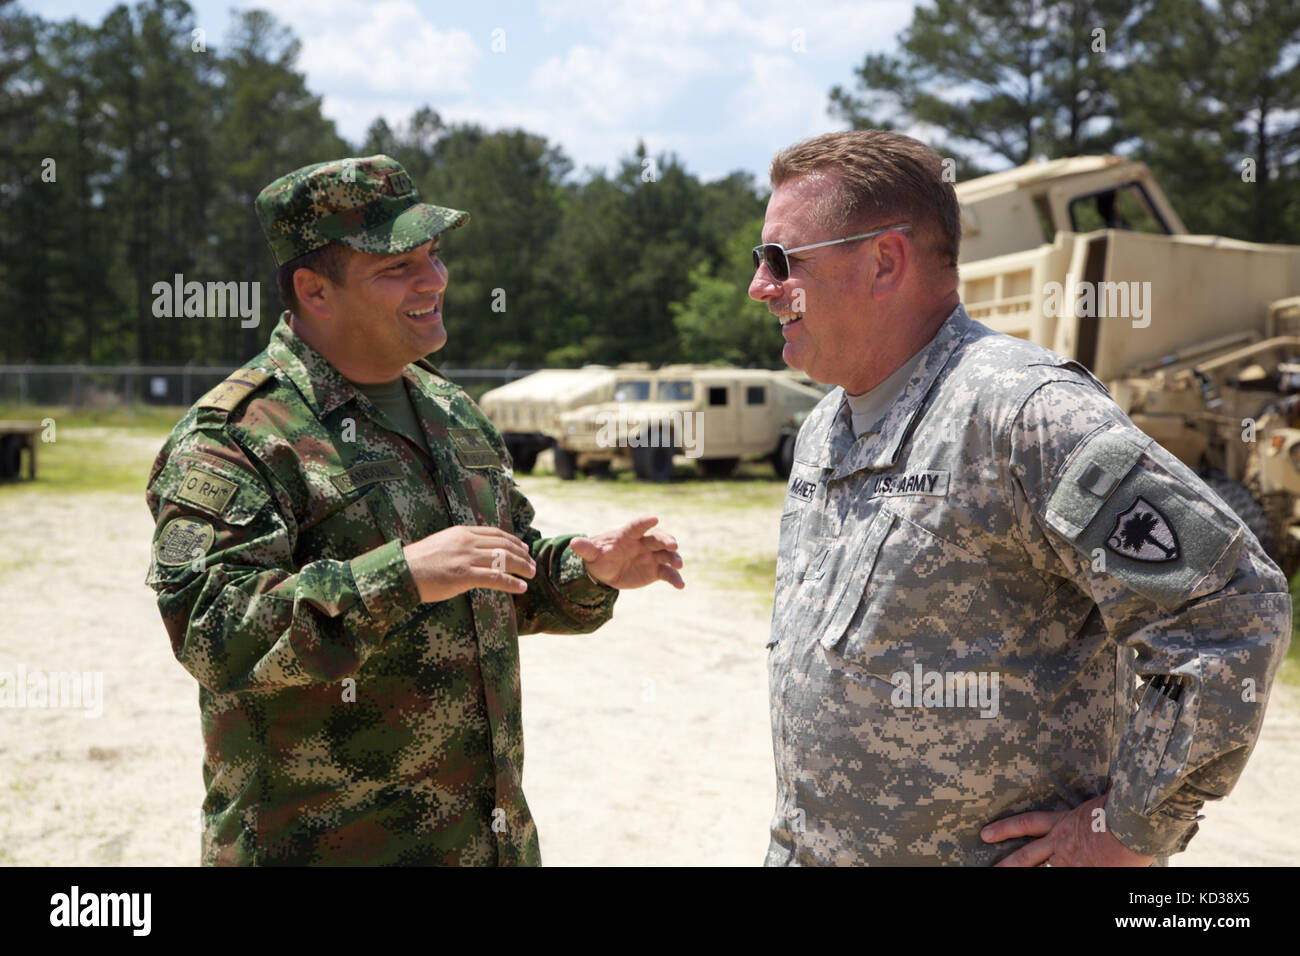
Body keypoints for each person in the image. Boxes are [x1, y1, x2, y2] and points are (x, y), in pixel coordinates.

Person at [750, 130, 1291, 866]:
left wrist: (1131, 830)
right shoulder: (824, 426)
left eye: (782, 260)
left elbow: (1229, 605)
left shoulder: (1021, 413)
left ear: (884, 261)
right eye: (761, 262)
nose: (761, 287)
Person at [144, 155, 684, 866]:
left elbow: (497, 577)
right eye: (396, 268)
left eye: (433, 256)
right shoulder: (237, 437)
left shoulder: (450, 409)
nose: (434, 281)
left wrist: (583, 572)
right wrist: (399, 576)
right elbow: (215, 636)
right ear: (315, 290)